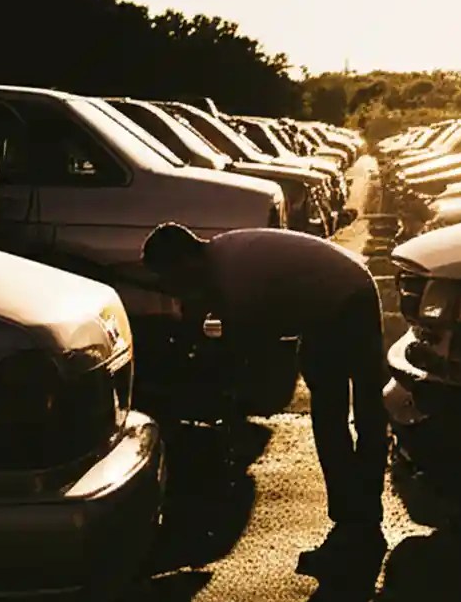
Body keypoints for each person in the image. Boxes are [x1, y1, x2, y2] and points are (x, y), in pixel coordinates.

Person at [140, 222, 389, 576]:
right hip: (346, 289)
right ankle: (360, 518)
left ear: (184, 262)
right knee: (354, 409)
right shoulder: (220, 256)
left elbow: (247, 351)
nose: (173, 291)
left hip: (344, 301)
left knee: (338, 413)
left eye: (171, 279)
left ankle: (355, 526)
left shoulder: (234, 276)